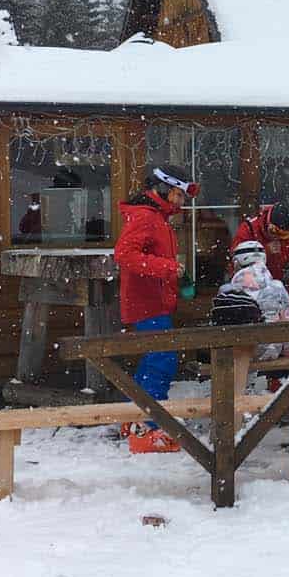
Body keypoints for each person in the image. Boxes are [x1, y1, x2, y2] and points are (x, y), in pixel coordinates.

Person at [114, 164, 198, 453]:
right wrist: (169, 268)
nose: (181, 202)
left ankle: (133, 418)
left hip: (153, 300)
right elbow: (124, 255)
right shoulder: (146, 217)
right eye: (177, 194)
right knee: (162, 359)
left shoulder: (157, 217)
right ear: (163, 189)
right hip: (146, 302)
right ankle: (148, 428)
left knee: (154, 359)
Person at [229, 200, 289, 305]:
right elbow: (235, 266)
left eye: (283, 236)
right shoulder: (249, 229)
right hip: (248, 291)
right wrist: (263, 252)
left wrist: (286, 302)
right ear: (268, 222)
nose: (277, 237)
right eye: (274, 231)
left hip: (276, 290)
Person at [227, 240, 289, 362]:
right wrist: (287, 350)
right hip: (274, 348)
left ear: (237, 261)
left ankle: (243, 381)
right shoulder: (277, 286)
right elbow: (287, 319)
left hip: (243, 350)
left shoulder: (231, 289)